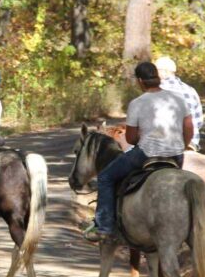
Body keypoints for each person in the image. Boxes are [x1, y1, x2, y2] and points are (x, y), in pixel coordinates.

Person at [83, 61, 193, 242]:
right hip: (176, 156)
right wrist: (181, 145)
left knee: (106, 177)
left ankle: (105, 226)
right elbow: (189, 128)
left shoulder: (137, 103)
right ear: (157, 77)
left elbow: (132, 139)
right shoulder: (178, 99)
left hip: (147, 155)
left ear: (140, 81)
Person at [155, 56, 204, 151]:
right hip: (191, 143)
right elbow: (199, 122)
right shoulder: (190, 90)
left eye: (156, 71)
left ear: (164, 72)